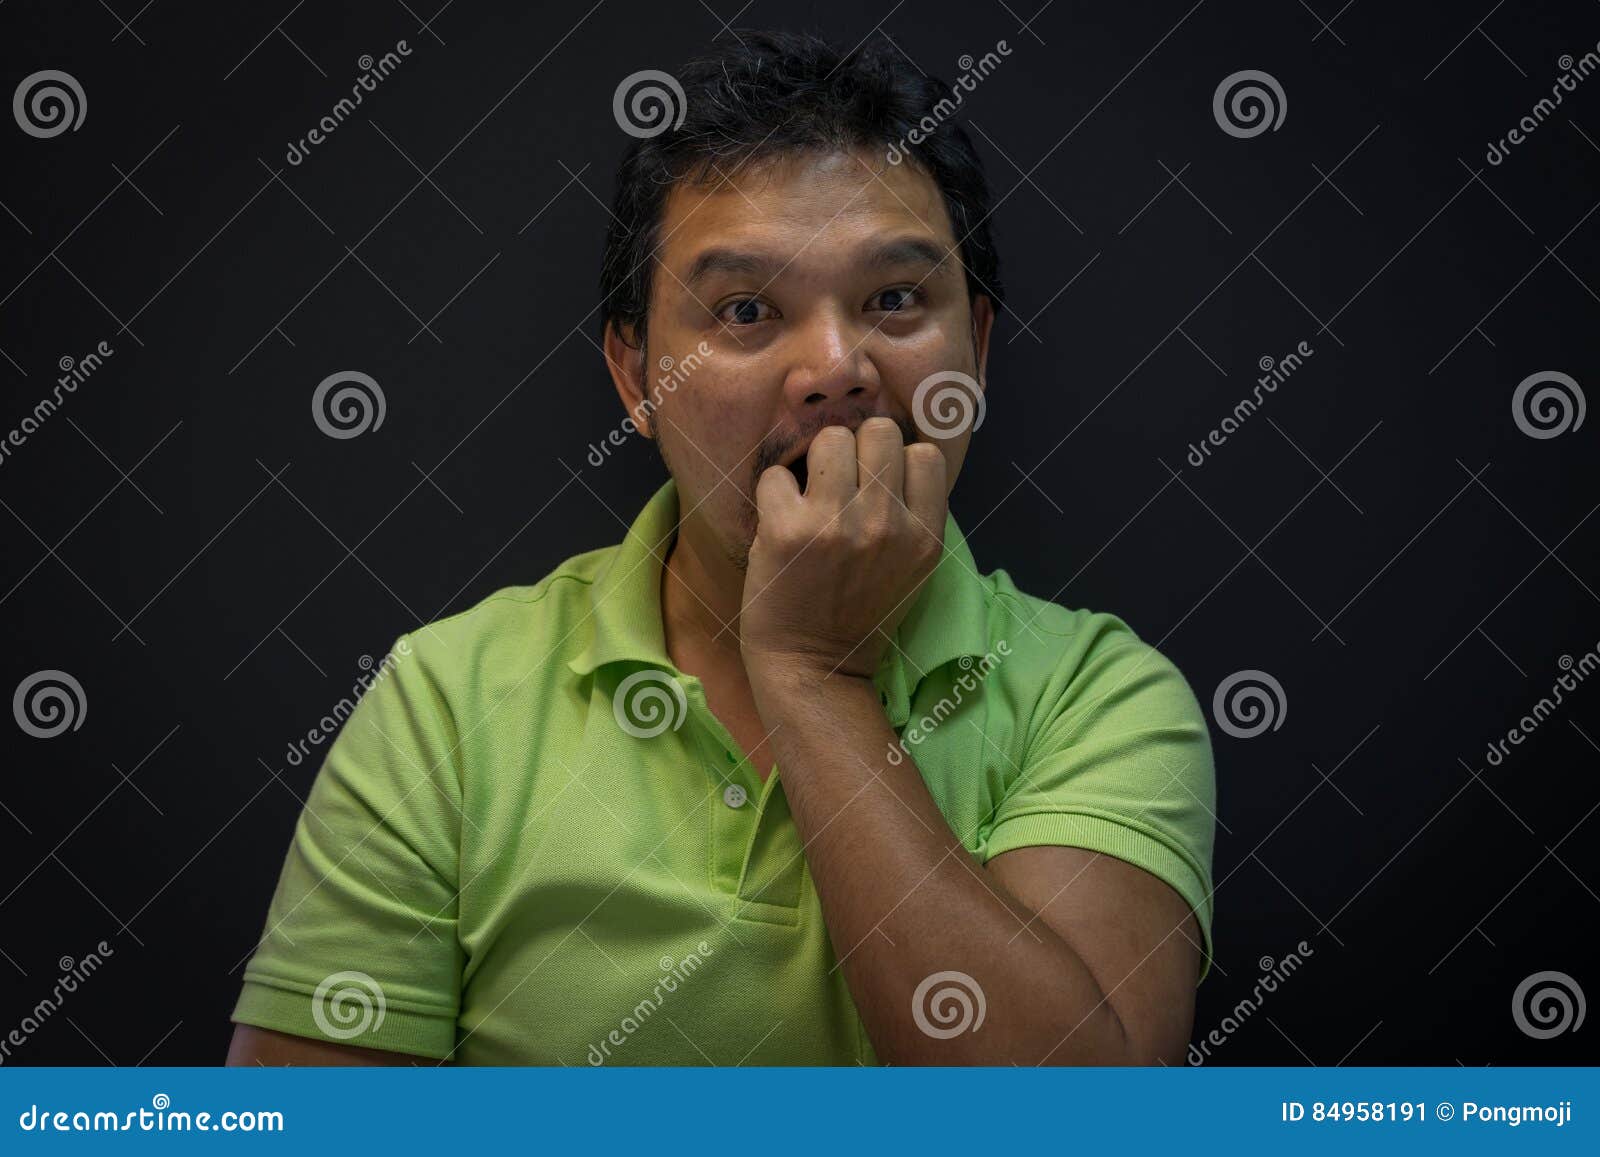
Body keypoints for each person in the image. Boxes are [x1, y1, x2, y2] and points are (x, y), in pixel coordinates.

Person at [227, 29, 1216, 1067]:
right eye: (745, 310)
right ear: (634, 377)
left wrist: (813, 675)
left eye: (893, 298)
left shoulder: (1099, 696)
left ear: (974, 348)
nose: (835, 368)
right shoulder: (446, 700)